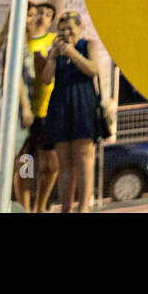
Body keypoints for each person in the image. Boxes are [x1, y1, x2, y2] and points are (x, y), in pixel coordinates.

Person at [38, 11, 102, 212]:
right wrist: (52, 57)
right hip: (60, 104)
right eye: (62, 29)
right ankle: (65, 207)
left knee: (84, 156)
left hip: (83, 101)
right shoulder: (55, 51)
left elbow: (93, 69)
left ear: (80, 28)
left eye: (70, 28)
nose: (66, 32)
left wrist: (72, 53)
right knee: (63, 160)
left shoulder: (87, 45)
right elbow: (46, 79)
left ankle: (83, 205)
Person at [0, 11, 35, 208]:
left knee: (0, 166)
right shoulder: (15, 42)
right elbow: (16, 75)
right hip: (13, 110)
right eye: (29, 15)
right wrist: (26, 108)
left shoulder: (9, 41)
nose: (32, 19)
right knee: (2, 166)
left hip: (5, 107)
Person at [25, 2, 58, 211]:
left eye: (47, 14)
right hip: (27, 112)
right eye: (39, 13)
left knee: (50, 165)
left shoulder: (53, 41)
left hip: (49, 110)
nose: (42, 17)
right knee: (26, 165)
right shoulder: (24, 42)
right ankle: (25, 204)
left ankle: (40, 205)